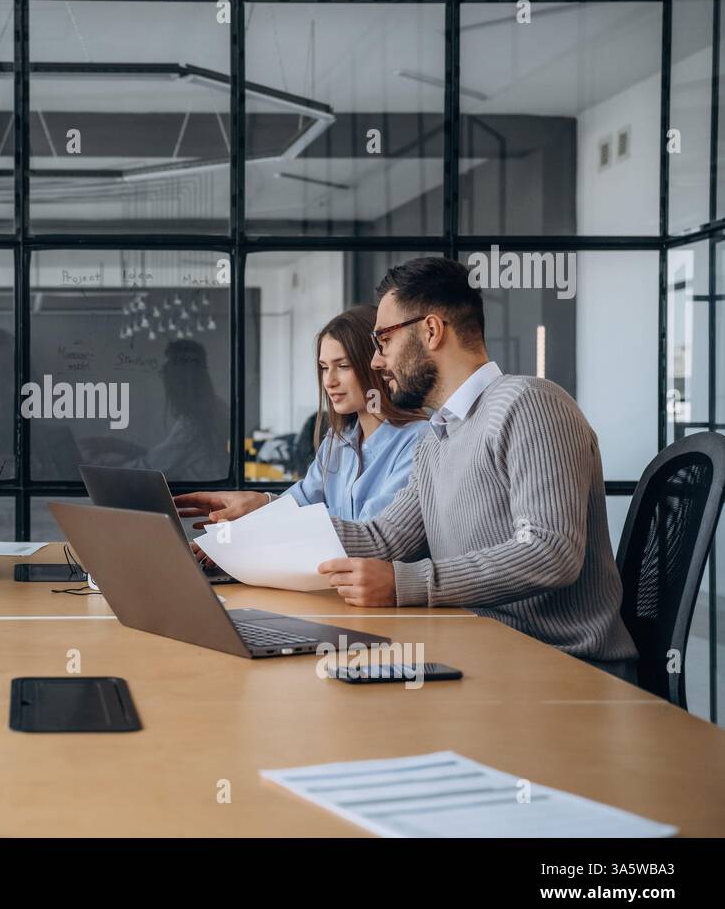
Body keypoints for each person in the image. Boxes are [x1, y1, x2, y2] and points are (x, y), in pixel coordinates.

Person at [313, 257, 637, 679]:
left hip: (563, 666)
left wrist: (406, 584)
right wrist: (259, 528)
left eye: (383, 340)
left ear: (431, 331)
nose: (376, 361)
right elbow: (384, 538)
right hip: (487, 652)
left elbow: (550, 551)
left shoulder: (528, 403)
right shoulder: (438, 437)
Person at [174, 305, 428, 525]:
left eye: (343, 366)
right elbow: (303, 501)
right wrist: (250, 516)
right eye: (324, 367)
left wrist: (259, 522)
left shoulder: (418, 441)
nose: (329, 381)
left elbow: (373, 532)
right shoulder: (337, 441)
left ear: (375, 363)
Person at [81, 338, 229, 481]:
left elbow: (152, 468)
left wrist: (100, 470)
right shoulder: (216, 408)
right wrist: (118, 446)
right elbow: (165, 457)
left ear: (181, 383)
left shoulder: (192, 425)